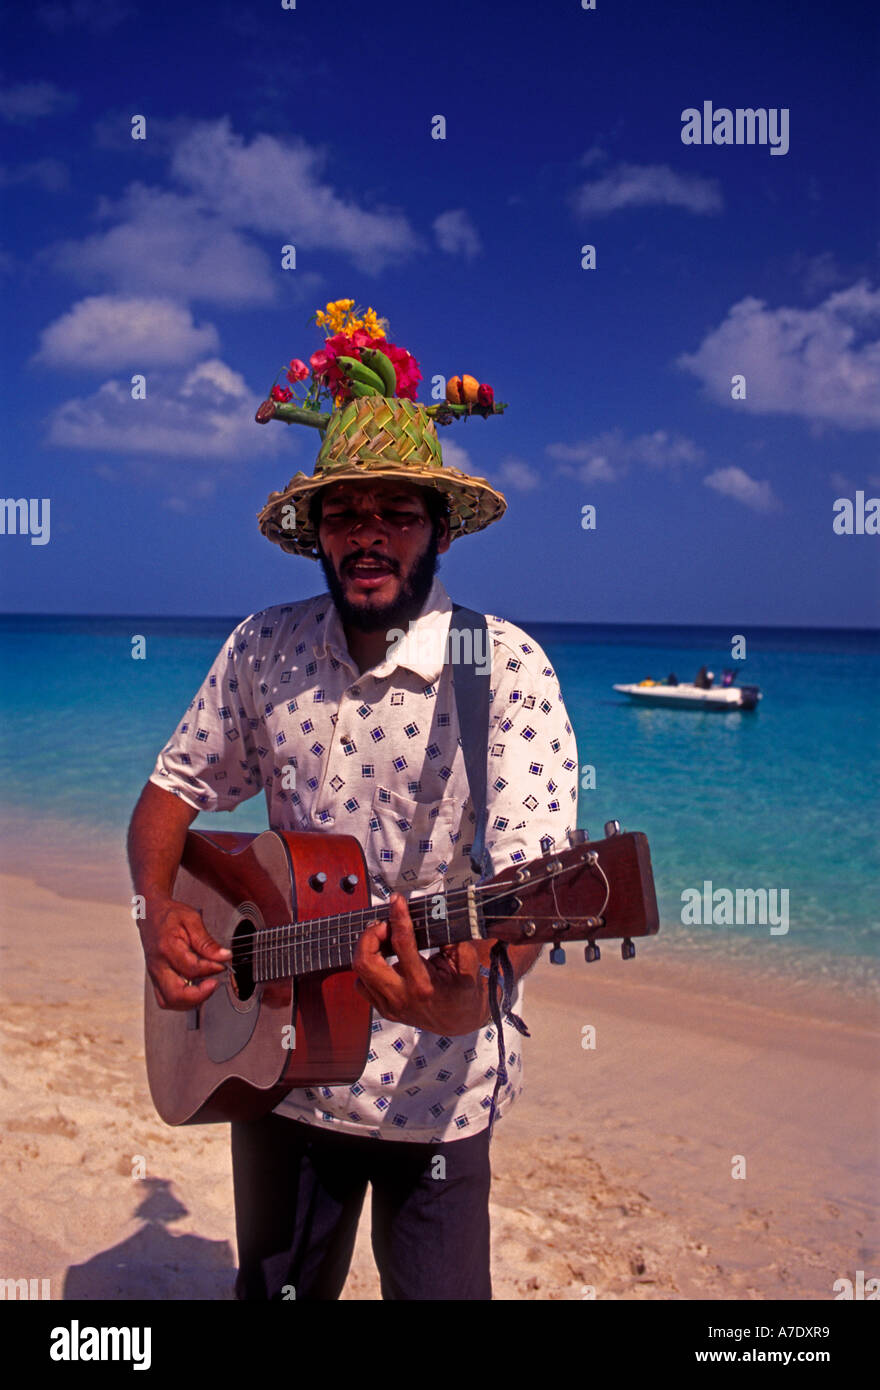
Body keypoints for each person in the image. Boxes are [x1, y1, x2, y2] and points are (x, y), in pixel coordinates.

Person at [127, 302, 579, 1301]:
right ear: (315, 533)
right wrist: (158, 911)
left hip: (436, 1094)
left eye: (396, 512)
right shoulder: (263, 648)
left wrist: (470, 991)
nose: (368, 534)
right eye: (344, 512)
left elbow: (530, 883)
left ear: (437, 529)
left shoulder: (500, 668)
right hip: (280, 1070)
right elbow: (171, 789)